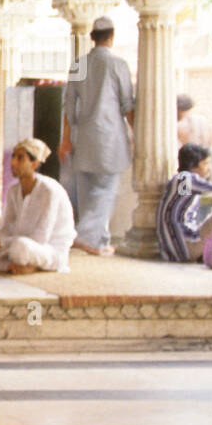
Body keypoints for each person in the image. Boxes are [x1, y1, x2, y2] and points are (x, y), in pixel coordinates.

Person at [59, 16, 134, 256]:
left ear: (93, 37)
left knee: (87, 191)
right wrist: (136, 134)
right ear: (111, 37)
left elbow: (69, 104)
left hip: (83, 137)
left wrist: (66, 138)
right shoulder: (118, 64)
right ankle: (86, 236)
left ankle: (98, 240)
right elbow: (126, 105)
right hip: (109, 138)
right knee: (106, 190)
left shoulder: (79, 65)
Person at [0, 138, 76, 274]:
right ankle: (15, 267)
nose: (13, 163)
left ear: (35, 163)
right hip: (17, 245)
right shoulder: (14, 190)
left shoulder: (49, 190)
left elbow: (41, 237)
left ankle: (31, 265)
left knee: (20, 247)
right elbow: (6, 229)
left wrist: (3, 244)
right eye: (13, 157)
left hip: (48, 249)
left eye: (20, 158)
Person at [157, 144, 212, 262]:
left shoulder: (180, 181)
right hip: (185, 249)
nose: (208, 168)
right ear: (193, 166)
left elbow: (188, 201)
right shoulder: (187, 178)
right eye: (205, 164)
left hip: (173, 251)